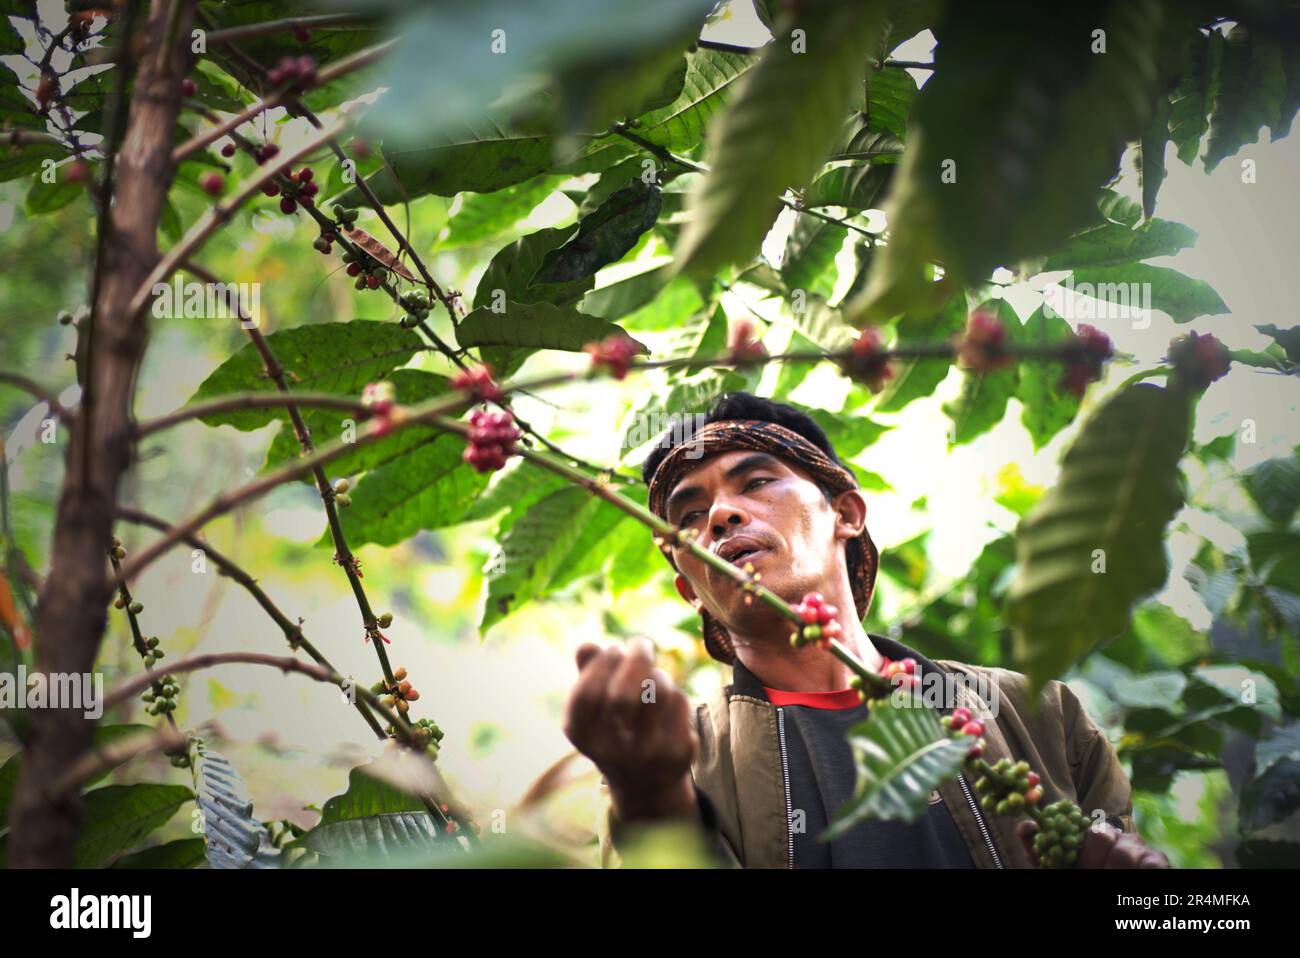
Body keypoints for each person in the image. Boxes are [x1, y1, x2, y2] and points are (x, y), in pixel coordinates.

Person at [563, 392, 1170, 869]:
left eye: (756, 482)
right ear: (689, 588)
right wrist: (652, 802)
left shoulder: (1038, 715)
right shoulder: (677, 760)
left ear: (847, 514)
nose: (720, 514)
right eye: (690, 515)